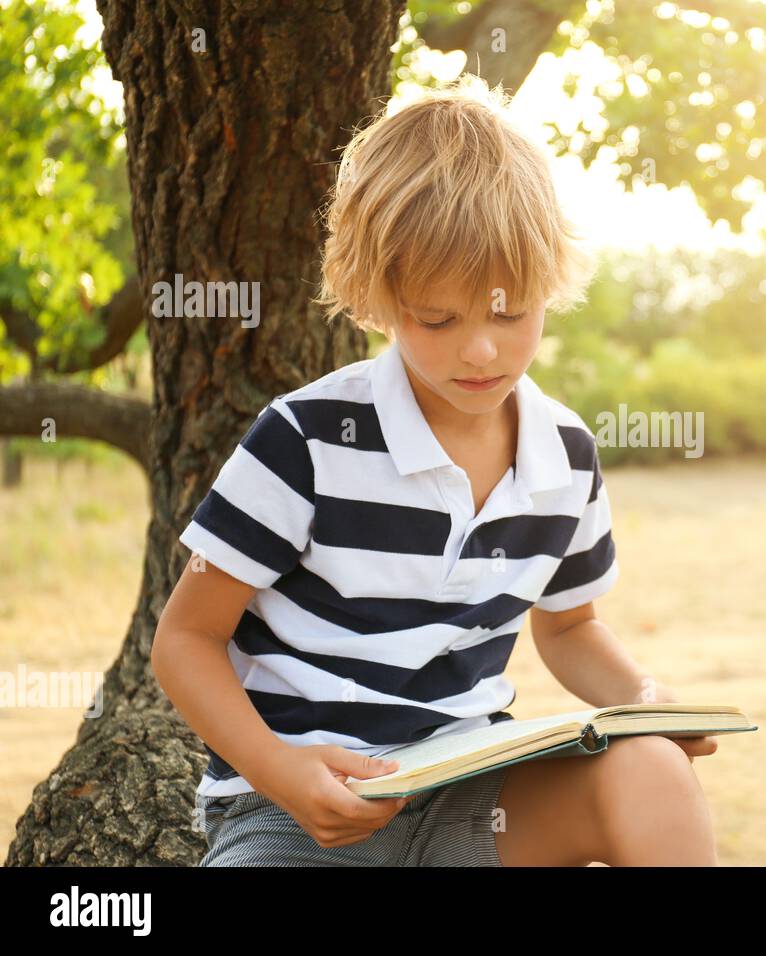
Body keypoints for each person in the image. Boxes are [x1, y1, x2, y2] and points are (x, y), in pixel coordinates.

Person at [152, 74, 719, 867]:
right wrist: (281, 772)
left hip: (471, 796)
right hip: (297, 812)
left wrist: (644, 702)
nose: (480, 349)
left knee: (652, 770)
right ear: (379, 297)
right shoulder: (308, 438)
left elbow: (571, 626)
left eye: (509, 311)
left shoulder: (566, 455)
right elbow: (184, 640)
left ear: (550, 282)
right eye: (439, 318)